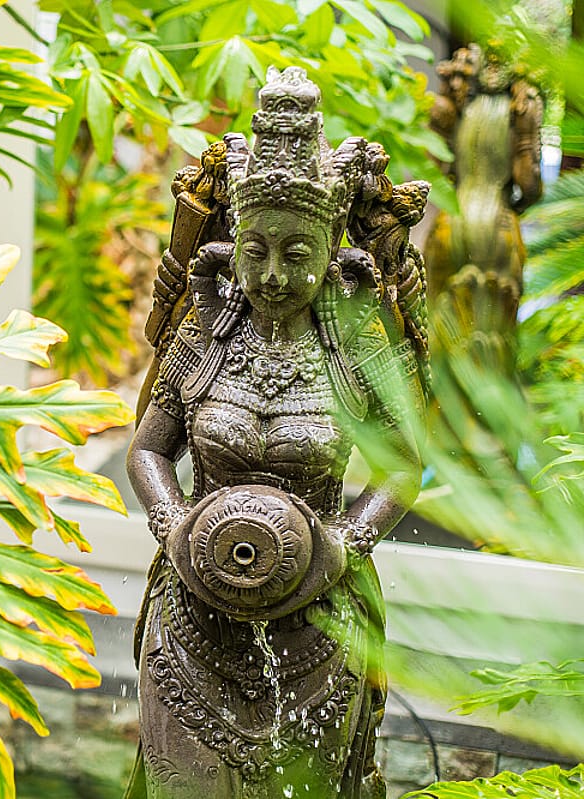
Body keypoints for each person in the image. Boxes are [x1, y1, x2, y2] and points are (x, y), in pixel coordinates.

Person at [125, 66, 429, 799]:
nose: (272, 275)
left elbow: (405, 465)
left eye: (298, 255)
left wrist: (346, 544)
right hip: (193, 614)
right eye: (255, 249)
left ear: (334, 253)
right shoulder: (206, 331)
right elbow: (145, 447)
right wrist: (171, 525)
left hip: (318, 618)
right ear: (233, 244)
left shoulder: (354, 345)